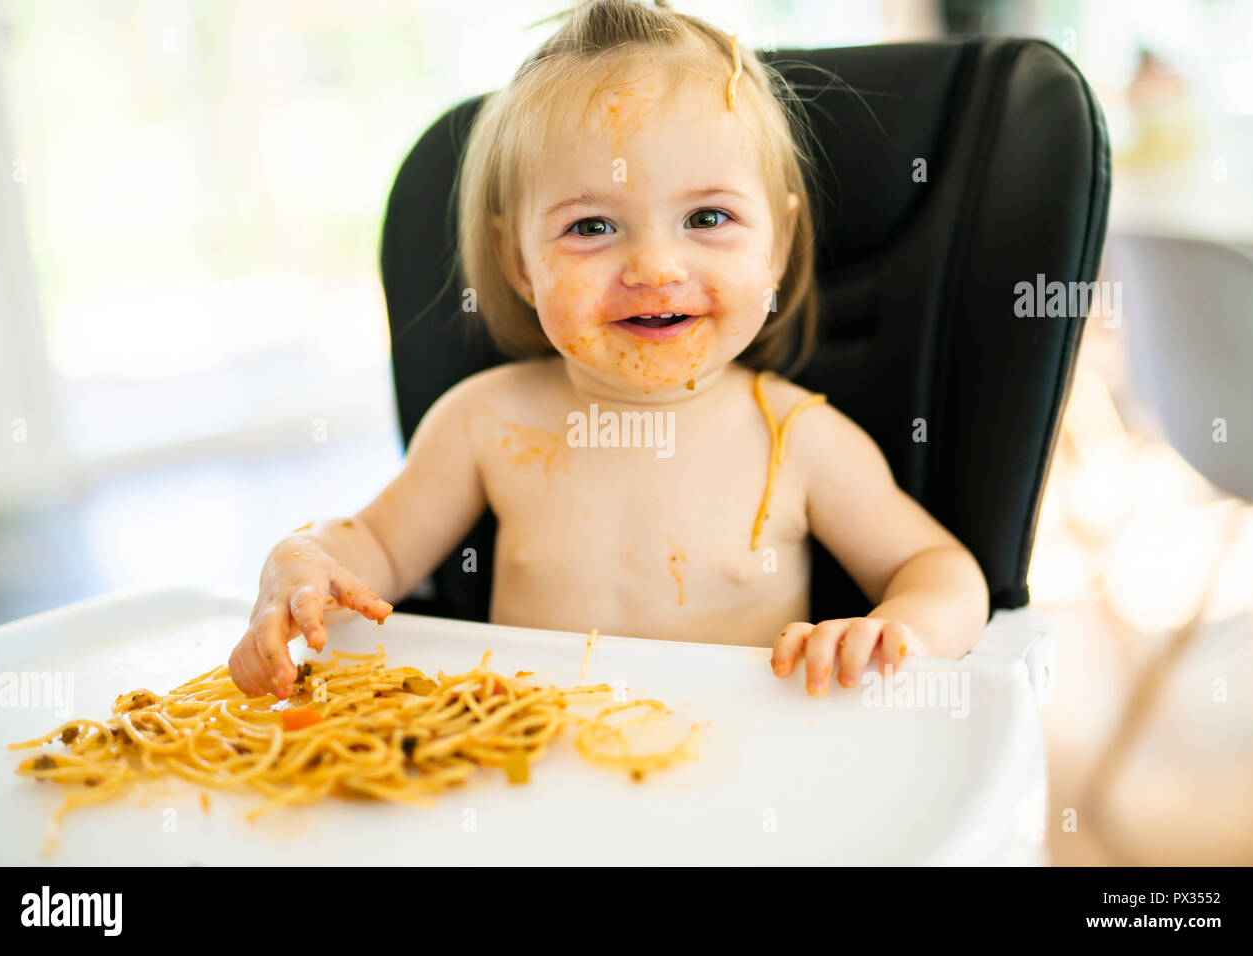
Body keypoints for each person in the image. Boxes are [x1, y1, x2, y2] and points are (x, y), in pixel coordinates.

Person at [228, 0, 989, 701]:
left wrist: (901, 632)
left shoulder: (801, 441)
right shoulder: (484, 424)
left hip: (738, 783)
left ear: (780, 244)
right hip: (529, 773)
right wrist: (303, 562)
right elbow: (372, 546)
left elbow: (939, 570)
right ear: (520, 262)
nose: (655, 267)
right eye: (590, 226)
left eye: (708, 217)